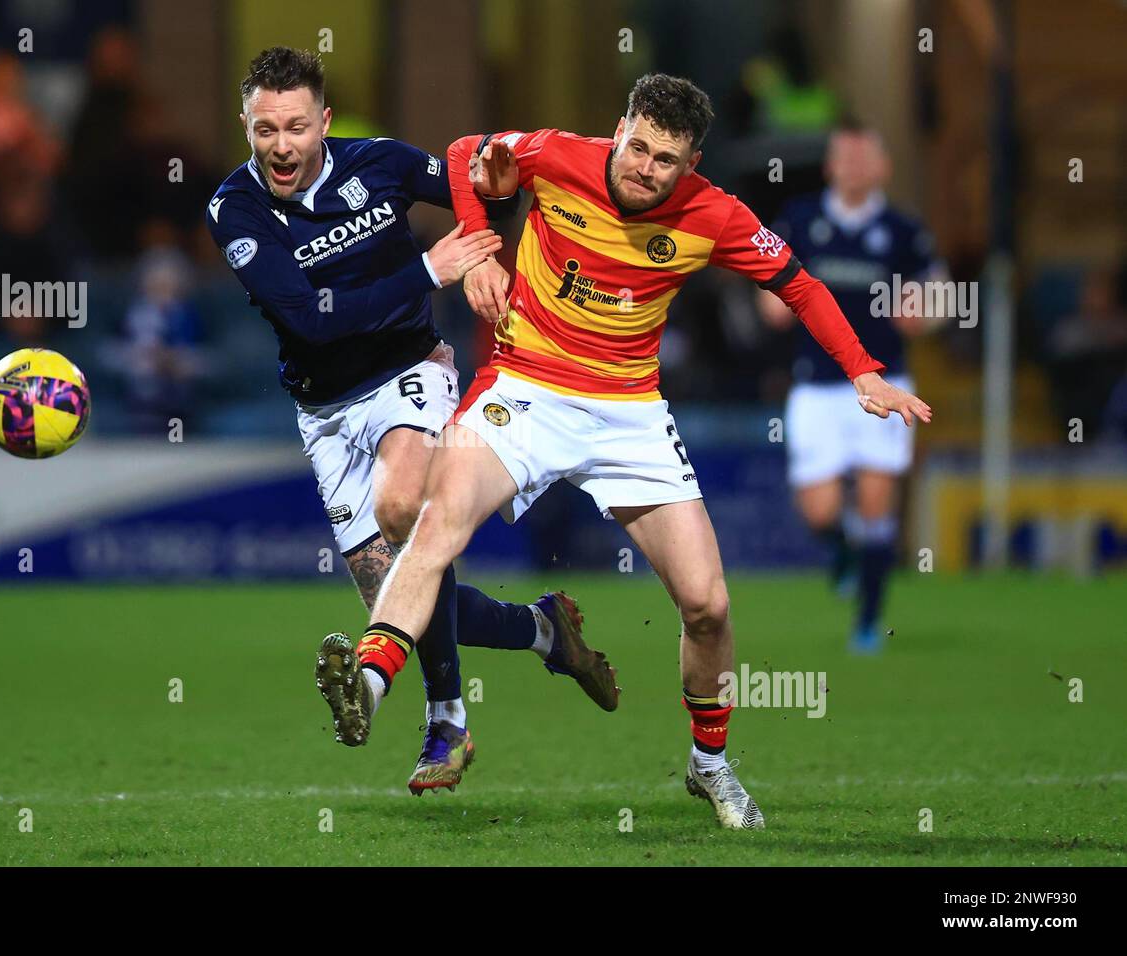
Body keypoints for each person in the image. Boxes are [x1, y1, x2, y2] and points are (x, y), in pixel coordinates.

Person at [322, 73, 932, 829]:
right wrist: (480, 253)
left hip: (629, 413)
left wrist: (864, 373)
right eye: (637, 147)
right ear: (619, 129)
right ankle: (371, 683)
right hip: (527, 389)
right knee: (437, 522)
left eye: (665, 159)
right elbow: (462, 155)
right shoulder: (556, 156)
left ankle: (710, 764)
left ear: (692, 163)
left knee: (707, 605)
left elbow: (800, 286)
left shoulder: (716, 215)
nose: (644, 167)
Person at [205, 48, 619, 794]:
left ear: (323, 122)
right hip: (323, 412)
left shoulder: (384, 165)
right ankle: (543, 629)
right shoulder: (234, 208)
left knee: (404, 509)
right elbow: (309, 320)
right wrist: (432, 269)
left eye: (296, 127)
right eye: (264, 129)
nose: (280, 146)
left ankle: (446, 720)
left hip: (409, 374)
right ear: (246, 125)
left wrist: (494, 207)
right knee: (405, 601)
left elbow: (481, 194)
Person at [759, 121, 944, 653]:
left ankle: (868, 618)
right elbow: (766, 286)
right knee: (818, 510)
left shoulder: (906, 232)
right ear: (831, 166)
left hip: (886, 382)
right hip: (817, 385)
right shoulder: (799, 220)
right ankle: (841, 554)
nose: (856, 166)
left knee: (875, 501)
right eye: (847, 157)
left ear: (883, 168)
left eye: (866, 158)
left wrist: (927, 310)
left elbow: (936, 294)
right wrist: (767, 302)